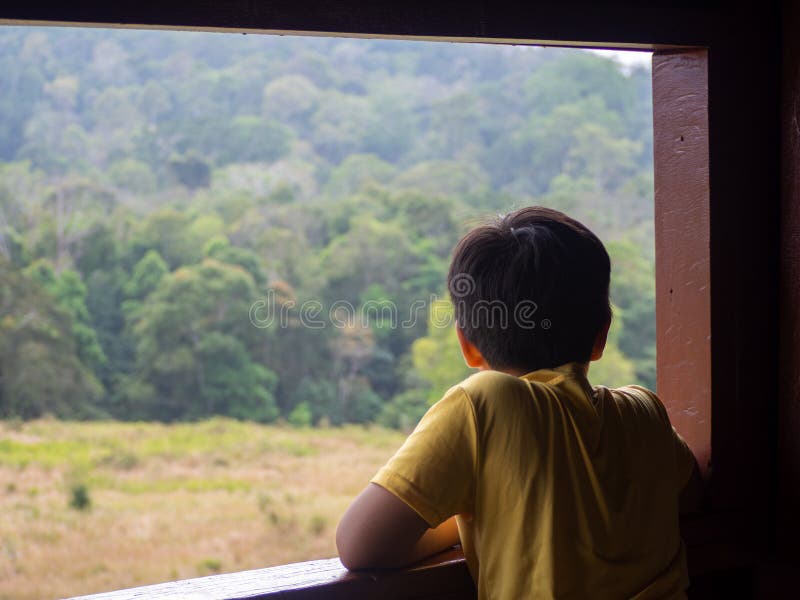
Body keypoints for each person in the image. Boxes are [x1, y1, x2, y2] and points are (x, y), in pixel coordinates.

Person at [336, 206, 704, 599]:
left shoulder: (484, 403)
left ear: (466, 345)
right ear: (602, 335)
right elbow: (691, 496)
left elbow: (358, 544)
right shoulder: (644, 411)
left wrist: (466, 517)